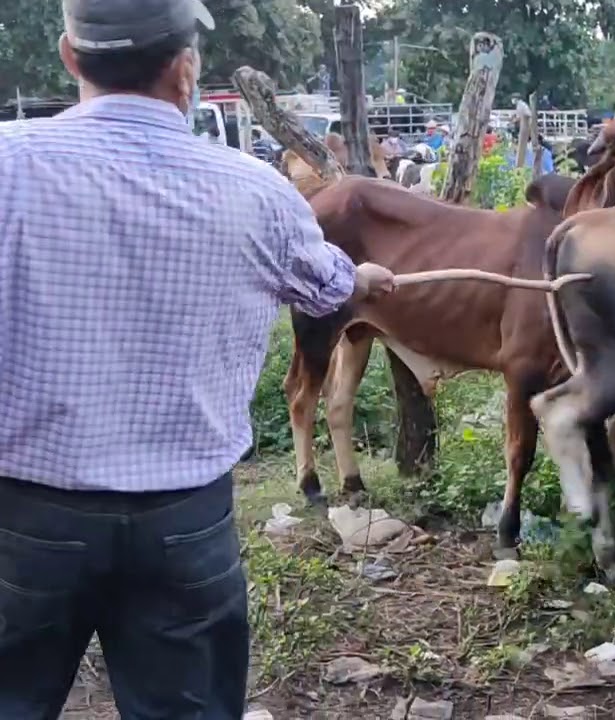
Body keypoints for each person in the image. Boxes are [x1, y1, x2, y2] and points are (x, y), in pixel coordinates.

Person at [0, 1, 397, 717]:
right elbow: (329, 286)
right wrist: (363, 278)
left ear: (68, 56)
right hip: (184, 523)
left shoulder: (7, 165)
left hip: (25, 519)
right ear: (186, 70)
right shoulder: (257, 192)